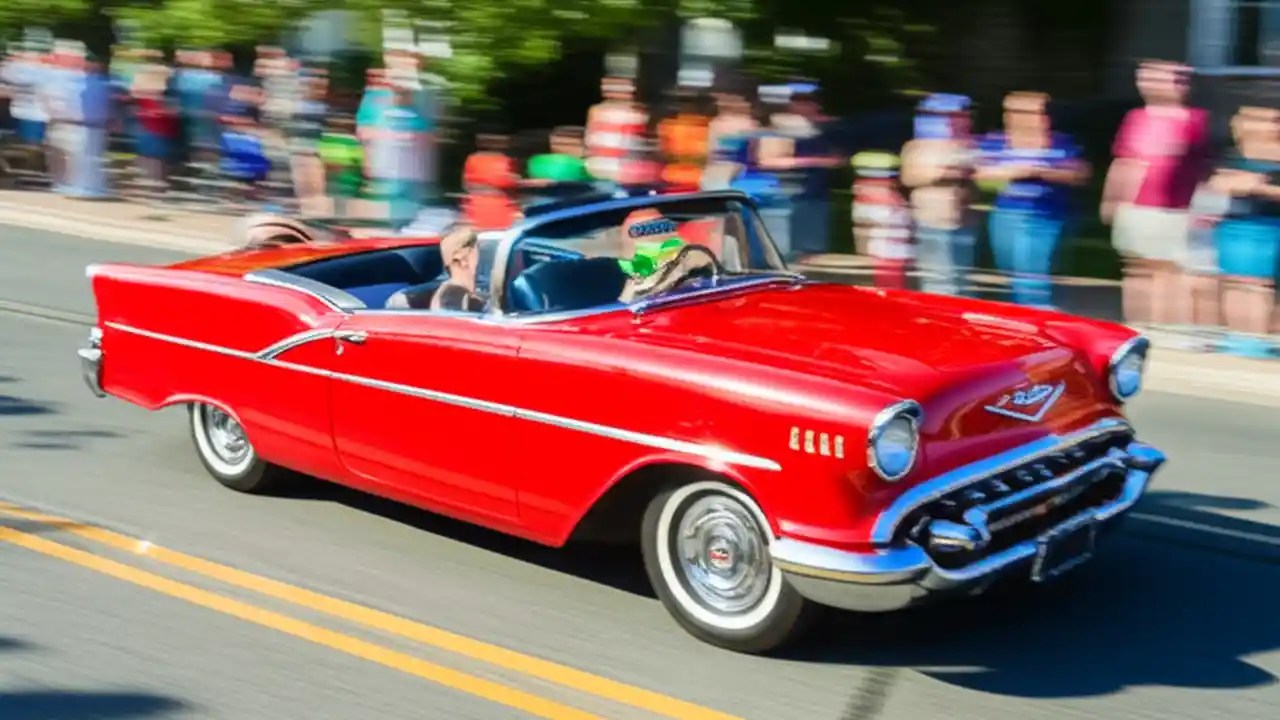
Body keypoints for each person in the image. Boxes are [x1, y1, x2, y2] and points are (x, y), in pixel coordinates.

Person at [1102, 60, 1212, 334]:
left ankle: (1166, 331)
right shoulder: (1135, 118)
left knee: (1169, 271)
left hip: (1176, 208)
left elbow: (1195, 164)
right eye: (1148, 78)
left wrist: (1205, 207)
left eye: (1169, 79)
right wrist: (1112, 198)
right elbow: (1124, 160)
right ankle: (1137, 328)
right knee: (1137, 269)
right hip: (1136, 206)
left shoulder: (1195, 119)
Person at [975, 91, 1090, 308]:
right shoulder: (997, 141)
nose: (1021, 117)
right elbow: (981, 175)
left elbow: (1079, 173)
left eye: (1034, 112)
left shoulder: (1058, 142)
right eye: (1014, 111)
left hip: (1042, 218)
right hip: (1005, 216)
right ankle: (1028, 314)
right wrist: (1015, 171)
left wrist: (1041, 171)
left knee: (1030, 277)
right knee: (1010, 271)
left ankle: (1040, 319)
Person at [1204, 106, 1280, 357]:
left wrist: (1257, 186)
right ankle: (1236, 338)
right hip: (1234, 227)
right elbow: (1217, 183)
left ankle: (1256, 342)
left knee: (1258, 287)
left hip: (1267, 228)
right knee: (1234, 283)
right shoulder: (1234, 154)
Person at [900, 93, 977, 296]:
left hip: (962, 221)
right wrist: (943, 173)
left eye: (960, 115)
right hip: (930, 221)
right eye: (948, 115)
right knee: (937, 277)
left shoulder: (967, 145)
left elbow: (980, 172)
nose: (955, 120)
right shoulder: (918, 146)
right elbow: (908, 178)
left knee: (960, 276)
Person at [430, 224, 489, 312]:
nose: (479, 256)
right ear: (463, 259)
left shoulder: (457, 294)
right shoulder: (453, 298)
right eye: (475, 249)